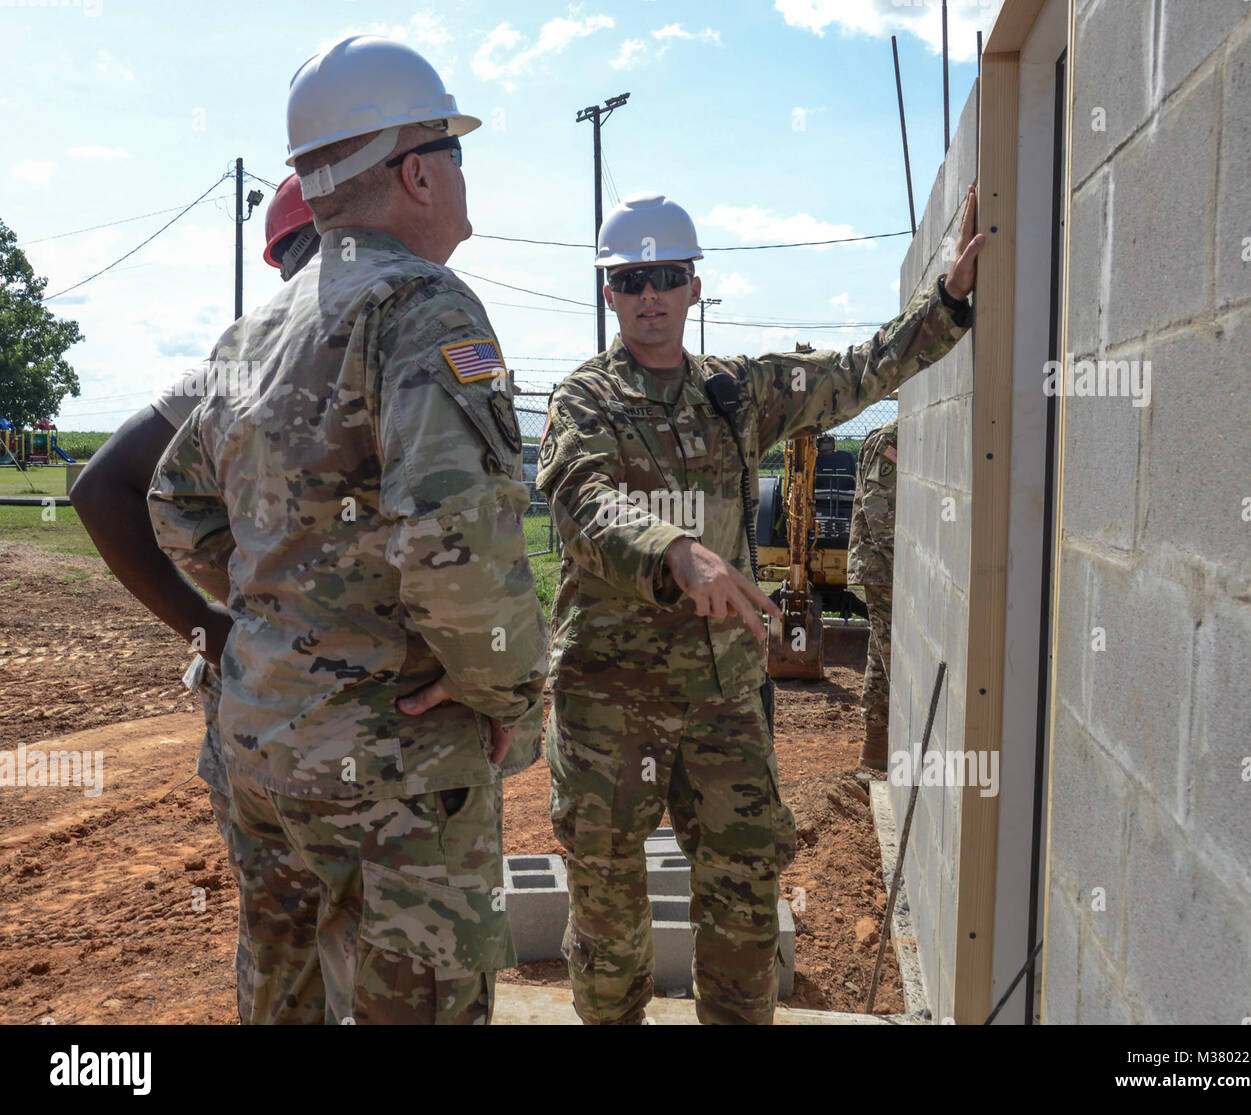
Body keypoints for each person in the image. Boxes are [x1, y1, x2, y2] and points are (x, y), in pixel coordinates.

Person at [147, 35, 547, 1025]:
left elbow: (176, 503)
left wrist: (282, 614)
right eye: (454, 152)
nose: (459, 175)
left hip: (264, 745)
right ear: (416, 170)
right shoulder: (420, 304)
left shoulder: (254, 333)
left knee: (284, 998)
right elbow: (453, 536)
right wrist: (503, 687)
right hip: (395, 768)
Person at [538, 187, 984, 1024]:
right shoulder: (583, 400)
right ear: (609, 292)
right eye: (630, 280)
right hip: (609, 700)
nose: (649, 296)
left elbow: (859, 372)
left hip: (722, 698)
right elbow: (577, 498)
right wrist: (675, 548)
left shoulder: (738, 393)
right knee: (608, 905)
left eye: (666, 276)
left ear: (694, 286)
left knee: (743, 897)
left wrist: (950, 302)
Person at [69, 172, 319, 1023]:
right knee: (391, 950)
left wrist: (208, 626)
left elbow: (101, 486)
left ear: (275, 254)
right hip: (369, 705)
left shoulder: (231, 365)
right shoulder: (391, 346)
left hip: (252, 700)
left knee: (283, 939)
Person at [846, 418, 899, 770]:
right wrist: (906, 565)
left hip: (885, 566)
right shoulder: (893, 438)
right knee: (893, 655)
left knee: (884, 655)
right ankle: (880, 747)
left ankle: (876, 750)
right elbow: (879, 509)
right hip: (884, 566)